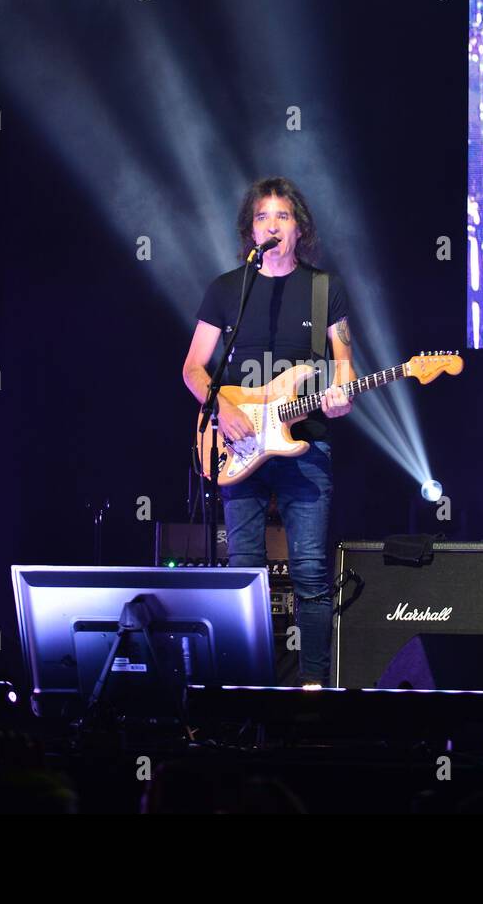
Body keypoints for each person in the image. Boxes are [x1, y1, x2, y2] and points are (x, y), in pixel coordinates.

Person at [181, 177, 355, 687]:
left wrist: (342, 390)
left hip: (305, 441)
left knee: (309, 572)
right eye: (262, 217)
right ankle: (245, 687)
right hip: (238, 444)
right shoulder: (227, 290)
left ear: (299, 227)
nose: (272, 225)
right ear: (250, 229)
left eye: (282, 216)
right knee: (246, 571)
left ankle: (314, 687)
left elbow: (343, 359)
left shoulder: (325, 289)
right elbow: (194, 368)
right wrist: (221, 412)